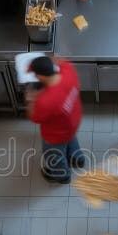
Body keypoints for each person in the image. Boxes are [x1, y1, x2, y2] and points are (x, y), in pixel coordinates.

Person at [25, 56, 84, 184]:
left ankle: (62, 176)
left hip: (56, 134)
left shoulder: (46, 101)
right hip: (73, 121)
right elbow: (61, 60)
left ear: (40, 77)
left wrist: (31, 100)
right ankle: (77, 160)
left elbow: (34, 118)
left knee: (54, 155)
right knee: (71, 139)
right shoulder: (68, 71)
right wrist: (48, 59)